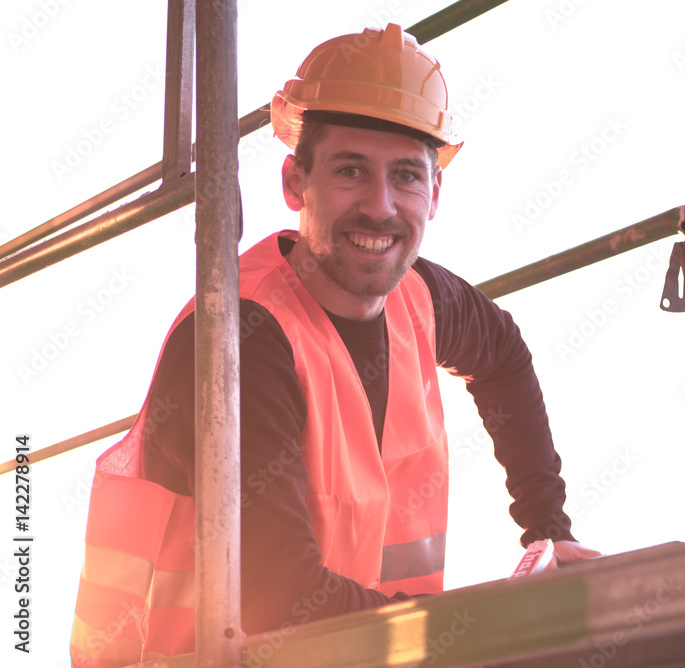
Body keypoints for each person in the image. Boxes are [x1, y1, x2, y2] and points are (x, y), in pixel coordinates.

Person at [70, 23, 598, 666]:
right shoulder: (241, 341)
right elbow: (280, 597)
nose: (380, 207)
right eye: (351, 170)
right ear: (296, 183)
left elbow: (504, 355)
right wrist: (471, 630)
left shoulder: (419, 300)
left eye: (405, 175)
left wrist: (547, 529)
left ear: (434, 195)